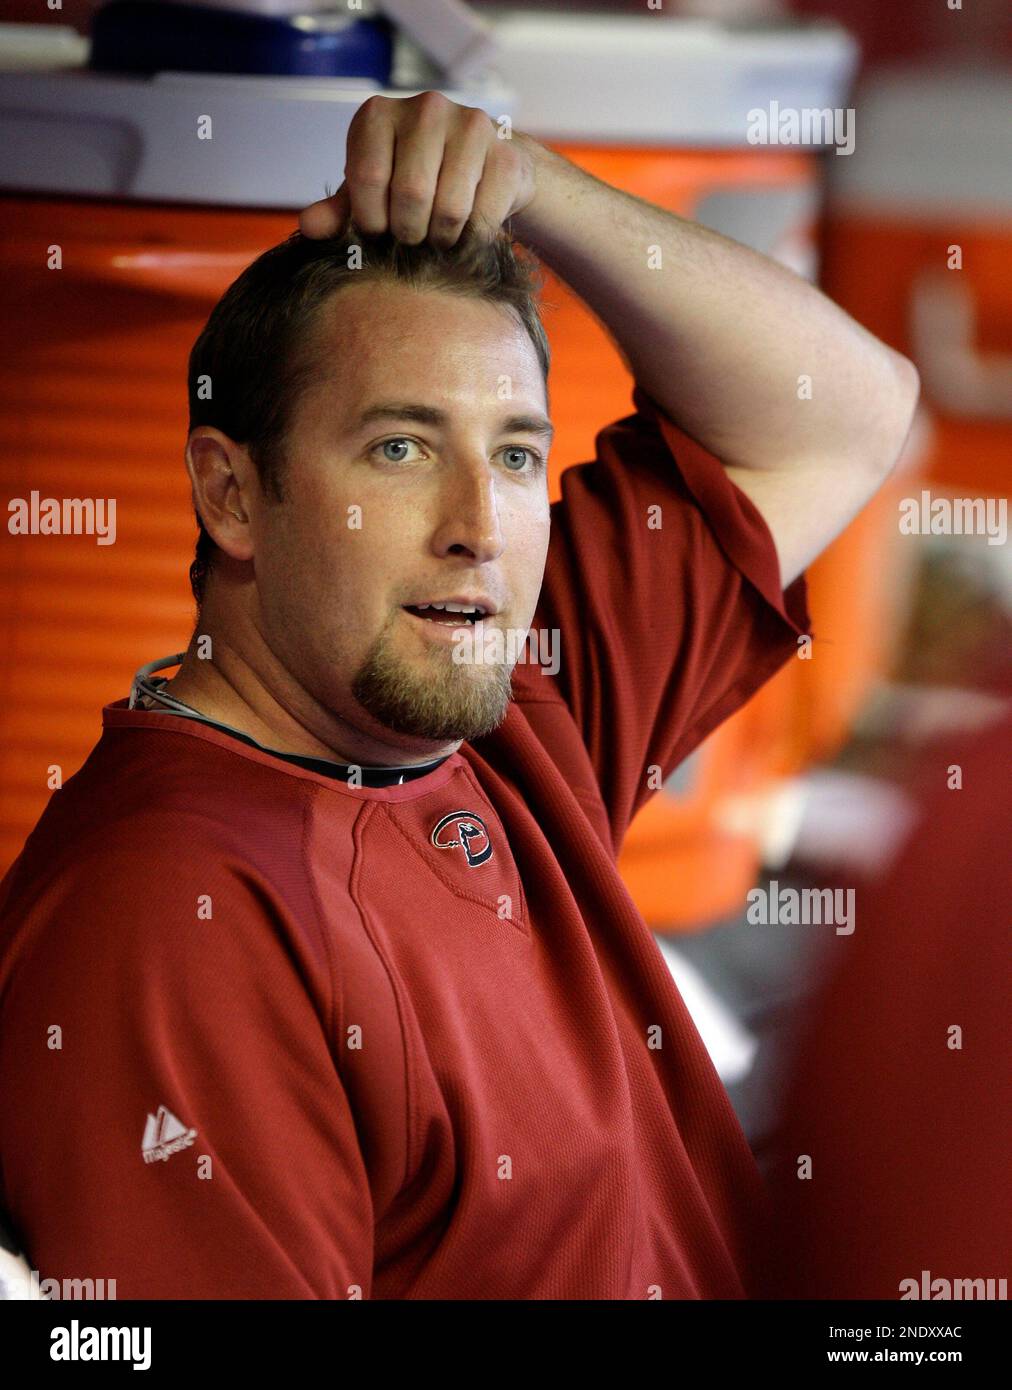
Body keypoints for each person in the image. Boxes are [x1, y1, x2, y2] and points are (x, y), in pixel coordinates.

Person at [0, 92, 919, 1299]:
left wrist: (533, 182)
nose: (478, 529)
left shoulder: (502, 705)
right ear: (231, 496)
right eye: (401, 448)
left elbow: (839, 417)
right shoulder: (179, 922)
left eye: (516, 453)